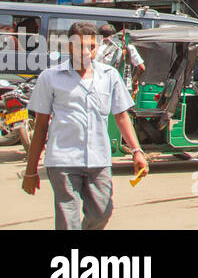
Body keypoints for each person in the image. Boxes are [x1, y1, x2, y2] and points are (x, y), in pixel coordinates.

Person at [22, 22, 150, 230]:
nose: (86, 52)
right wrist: (31, 171)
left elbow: (121, 116)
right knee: (67, 221)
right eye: (79, 46)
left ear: (97, 47)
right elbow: (41, 126)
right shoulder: (50, 77)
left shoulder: (109, 76)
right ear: (69, 47)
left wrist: (137, 151)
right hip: (62, 160)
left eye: (91, 46)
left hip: (99, 159)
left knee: (102, 213)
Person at [95, 24, 145, 93]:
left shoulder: (96, 49)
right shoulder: (128, 47)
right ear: (114, 35)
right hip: (124, 86)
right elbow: (141, 67)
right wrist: (134, 81)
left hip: (103, 86)